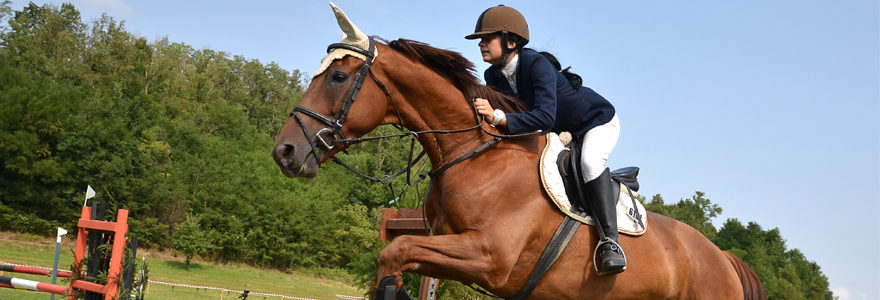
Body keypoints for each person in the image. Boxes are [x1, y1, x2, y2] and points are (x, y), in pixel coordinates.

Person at [466, 5, 626, 276]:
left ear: (510, 41)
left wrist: (499, 118)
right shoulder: (492, 75)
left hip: (596, 121)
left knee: (589, 163)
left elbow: (543, 118)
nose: (480, 43)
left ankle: (610, 243)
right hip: (559, 130)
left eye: (487, 37)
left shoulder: (535, 64)